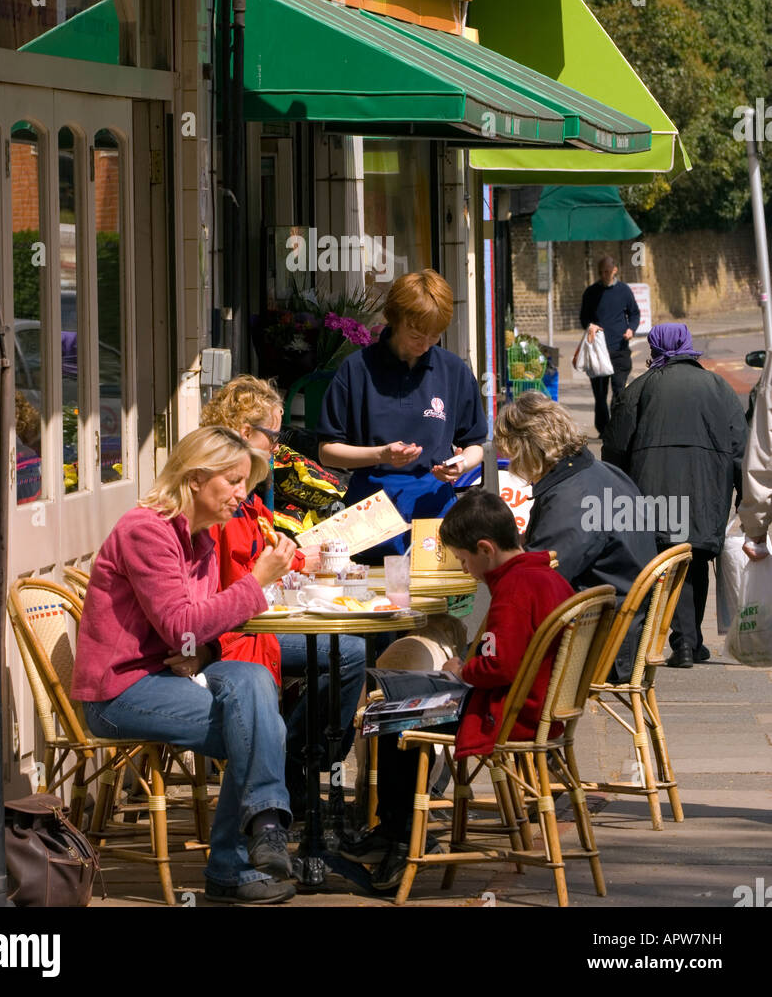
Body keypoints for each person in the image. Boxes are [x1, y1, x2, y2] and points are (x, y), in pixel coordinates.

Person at [71, 426, 301, 905]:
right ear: (196, 478)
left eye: (246, 483)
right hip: (121, 690)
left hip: (174, 673)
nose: (243, 494)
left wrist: (204, 651)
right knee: (262, 730)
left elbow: (194, 633)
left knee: (253, 676)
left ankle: (255, 838)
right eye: (234, 481)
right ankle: (244, 852)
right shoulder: (146, 531)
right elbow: (181, 625)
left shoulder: (202, 538)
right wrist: (256, 583)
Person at [341, 490, 574, 890]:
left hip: (508, 712)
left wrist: (462, 668)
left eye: (464, 561)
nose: (466, 571)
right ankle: (396, 829)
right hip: (536, 708)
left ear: (485, 549)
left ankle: (401, 838)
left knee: (392, 717)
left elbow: (500, 665)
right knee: (403, 696)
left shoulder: (514, 590)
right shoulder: (545, 576)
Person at [200, 375, 367, 812]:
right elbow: (234, 577)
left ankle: (297, 764)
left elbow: (261, 548)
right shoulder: (220, 495)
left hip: (249, 622)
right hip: (232, 635)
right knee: (345, 653)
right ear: (243, 432)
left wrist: (299, 559)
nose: (278, 447)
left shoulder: (242, 487)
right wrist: (281, 570)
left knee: (346, 649)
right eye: (273, 435)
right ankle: (297, 763)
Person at [602, 322, 748, 667]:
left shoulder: (640, 388)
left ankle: (677, 641)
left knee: (664, 561)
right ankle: (688, 641)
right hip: (706, 489)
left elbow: (614, 449)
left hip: (655, 491)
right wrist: (746, 497)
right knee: (694, 561)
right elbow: (741, 446)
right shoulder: (719, 387)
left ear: (654, 349)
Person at [318, 269, 488, 556]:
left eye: (434, 337)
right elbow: (327, 451)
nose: (424, 345)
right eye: (416, 335)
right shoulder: (356, 369)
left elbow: (475, 443)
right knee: (369, 598)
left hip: (434, 509)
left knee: (434, 594)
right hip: (369, 512)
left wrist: (461, 465)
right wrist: (381, 455)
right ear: (394, 320)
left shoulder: (453, 371)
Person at [494, 390, 657, 678]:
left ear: (529, 447)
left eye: (512, 455)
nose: (512, 466)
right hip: (622, 626)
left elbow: (539, 583)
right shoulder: (599, 473)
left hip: (602, 641)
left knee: (491, 660)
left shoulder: (572, 497)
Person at [580, 255, 641, 436]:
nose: (605, 275)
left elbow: (635, 313)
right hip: (598, 351)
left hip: (619, 349)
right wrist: (590, 326)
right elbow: (584, 317)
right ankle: (603, 429)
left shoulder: (624, 291)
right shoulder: (591, 292)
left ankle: (617, 428)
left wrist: (631, 329)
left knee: (619, 391)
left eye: (608, 271)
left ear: (615, 270)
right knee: (599, 395)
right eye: (602, 272)